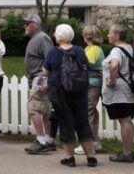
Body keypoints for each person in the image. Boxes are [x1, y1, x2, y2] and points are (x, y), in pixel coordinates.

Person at [42, 23, 97, 167]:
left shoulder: (53, 52)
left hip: (61, 92)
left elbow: (46, 71)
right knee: (82, 122)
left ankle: (69, 158)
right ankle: (91, 157)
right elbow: (86, 67)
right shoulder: (79, 50)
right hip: (79, 90)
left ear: (58, 36)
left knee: (66, 122)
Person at [102, 24, 134, 163]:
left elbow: (114, 65)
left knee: (124, 121)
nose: (108, 35)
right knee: (127, 120)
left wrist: (112, 80)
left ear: (117, 36)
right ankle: (129, 150)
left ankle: (126, 153)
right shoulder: (132, 49)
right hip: (131, 91)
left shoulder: (116, 51)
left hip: (119, 93)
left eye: (109, 33)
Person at [23, 13, 55, 154]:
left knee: (33, 108)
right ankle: (47, 140)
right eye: (25, 23)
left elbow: (50, 60)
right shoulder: (36, 38)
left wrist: (46, 80)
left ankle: (41, 140)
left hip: (40, 78)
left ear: (36, 24)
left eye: (28, 23)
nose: (25, 26)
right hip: (38, 77)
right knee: (44, 110)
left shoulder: (42, 38)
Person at [75, 25, 105, 155]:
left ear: (85, 36)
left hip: (91, 84)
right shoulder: (91, 48)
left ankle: (87, 144)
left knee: (87, 113)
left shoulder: (93, 49)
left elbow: (87, 64)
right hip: (92, 83)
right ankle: (95, 142)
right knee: (92, 113)